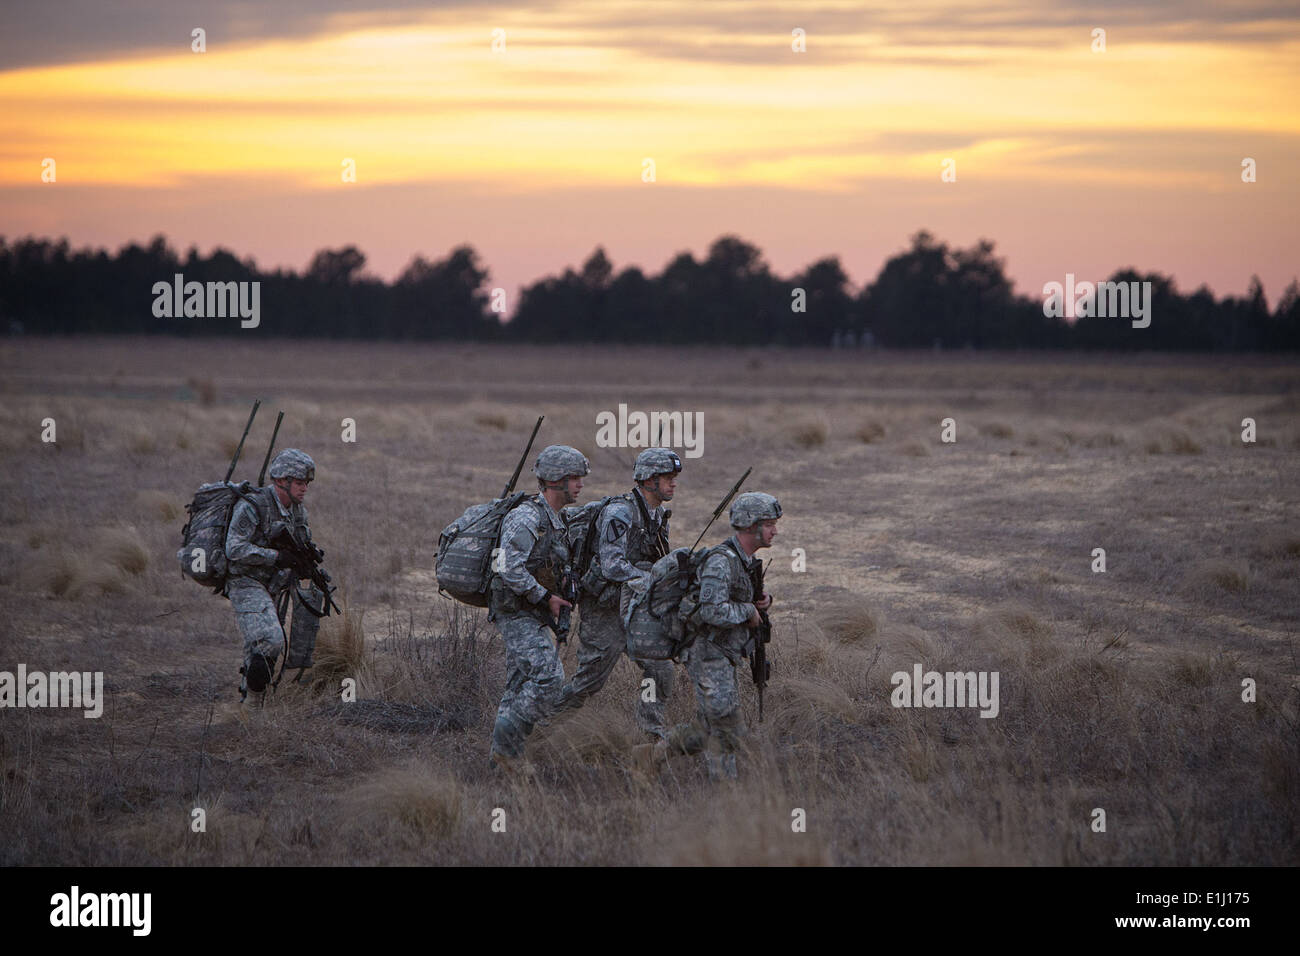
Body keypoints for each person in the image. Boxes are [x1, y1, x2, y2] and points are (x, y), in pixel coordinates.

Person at [637, 491, 781, 780]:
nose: (775, 531)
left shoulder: (744, 561)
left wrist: (761, 602)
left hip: (723, 653)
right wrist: (747, 611)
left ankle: (652, 754)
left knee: (706, 727)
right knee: (726, 727)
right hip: (707, 653)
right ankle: (725, 792)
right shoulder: (722, 561)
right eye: (769, 524)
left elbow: (736, 600)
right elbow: (712, 611)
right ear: (752, 526)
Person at [553, 448, 681, 740]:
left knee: (660, 670)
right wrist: (650, 579)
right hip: (605, 609)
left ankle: (651, 732)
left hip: (635, 608)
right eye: (667, 478)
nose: (673, 484)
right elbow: (612, 566)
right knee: (588, 682)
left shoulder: (658, 515)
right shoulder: (620, 513)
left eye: (674, 478)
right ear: (648, 480)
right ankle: (539, 729)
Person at [489, 444, 588, 772]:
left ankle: (502, 763)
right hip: (517, 612)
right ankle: (507, 747)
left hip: (533, 612)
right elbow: (506, 566)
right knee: (548, 678)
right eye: (575, 478)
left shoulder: (556, 519)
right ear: (557, 480)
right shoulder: (528, 517)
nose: (580, 485)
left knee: (517, 685)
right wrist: (545, 597)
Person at [224, 448, 324, 706]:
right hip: (245, 581)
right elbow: (233, 549)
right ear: (282, 481)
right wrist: (275, 557)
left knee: (259, 649)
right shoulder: (253, 506)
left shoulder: (297, 511)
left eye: (307, 484)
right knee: (270, 640)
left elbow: (302, 541)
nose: (305, 489)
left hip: (274, 584)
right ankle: (255, 702)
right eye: (300, 483)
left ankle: (250, 709)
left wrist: (306, 563)